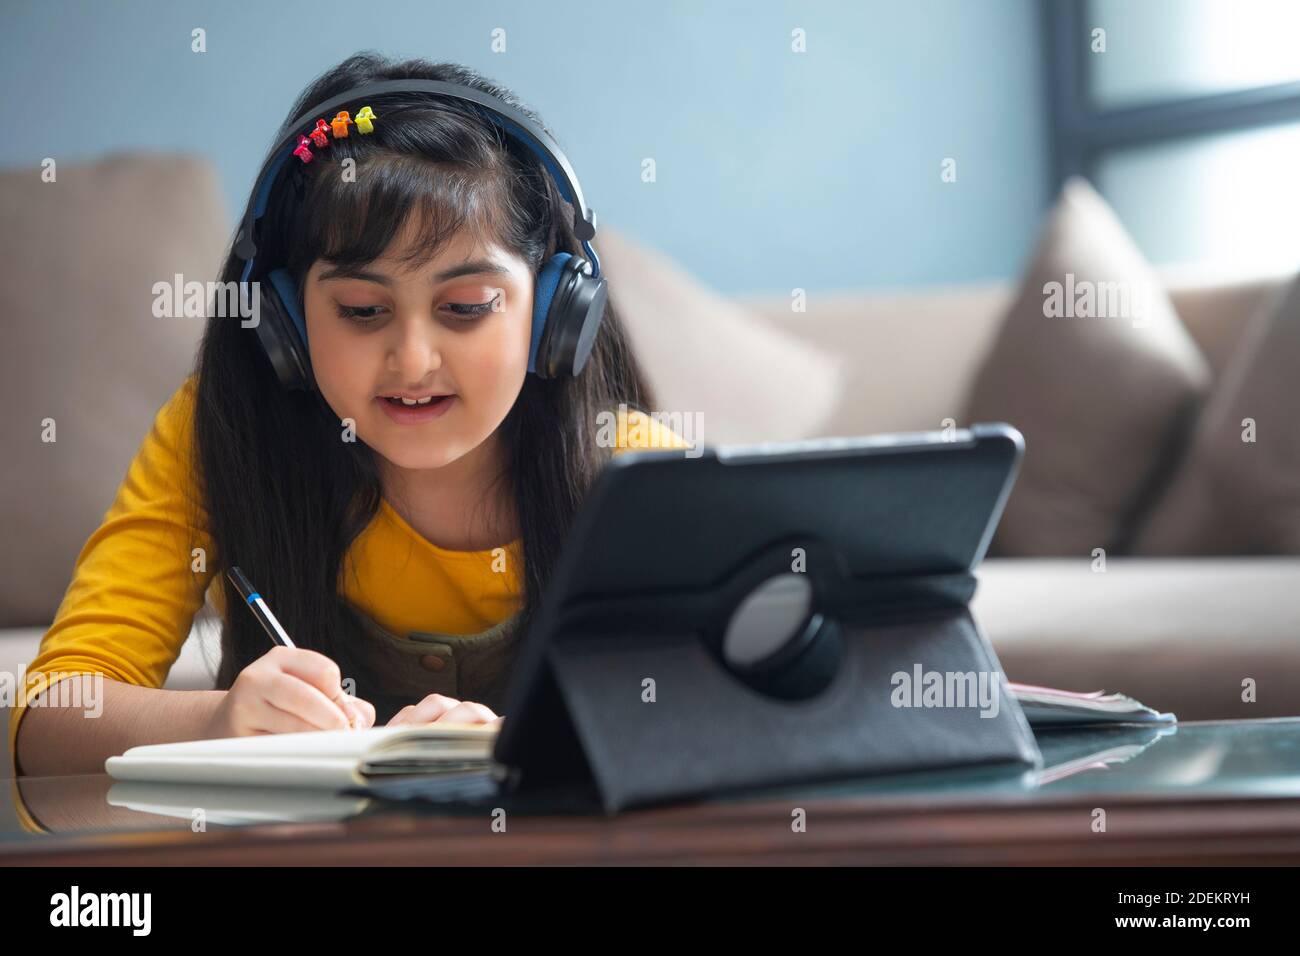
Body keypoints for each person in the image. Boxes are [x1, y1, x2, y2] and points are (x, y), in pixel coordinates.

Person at [12, 52, 688, 777]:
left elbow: (729, 720)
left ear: (554, 309)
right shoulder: (221, 434)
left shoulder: (635, 476)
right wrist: (215, 723)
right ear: (286, 325)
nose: (413, 359)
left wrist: (526, 742)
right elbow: (43, 724)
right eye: (362, 311)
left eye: (464, 308)